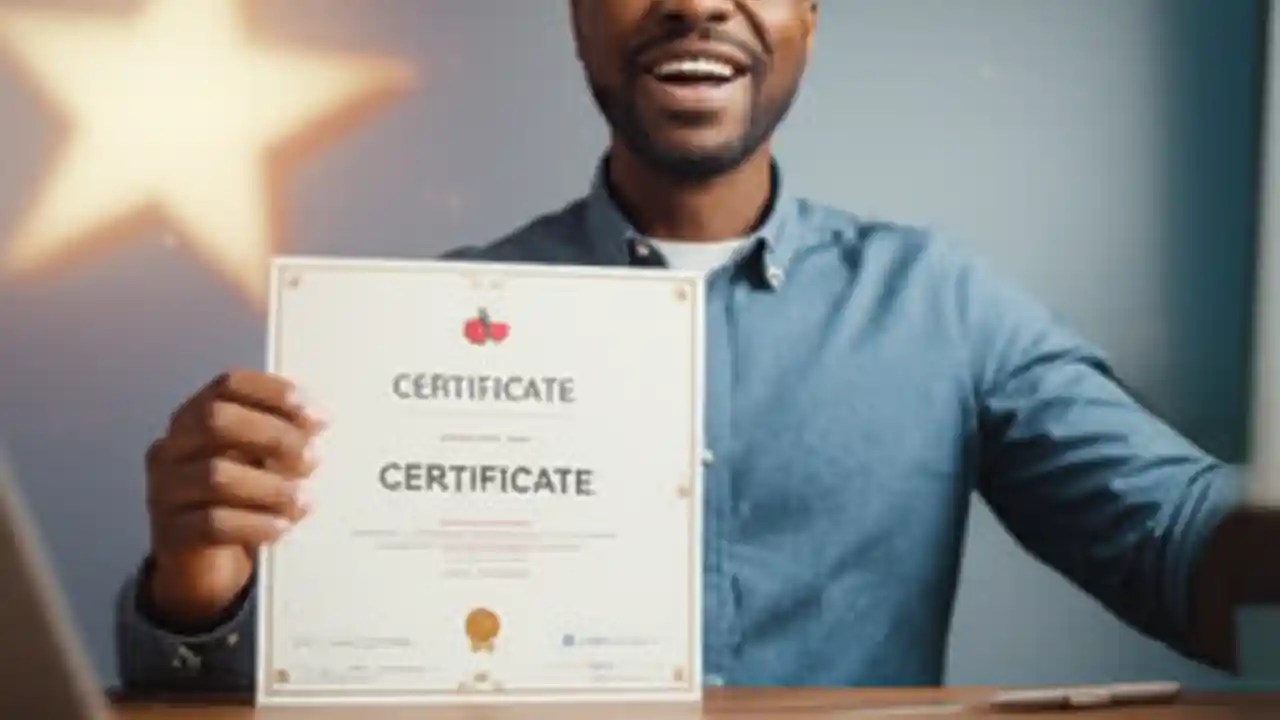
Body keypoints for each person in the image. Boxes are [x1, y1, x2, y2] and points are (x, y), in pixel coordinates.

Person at [117, 0, 1276, 692]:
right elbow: (282, 678)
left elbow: (1175, 540)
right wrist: (196, 595)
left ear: (808, 17)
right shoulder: (419, 330)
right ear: (579, 21)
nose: (694, 0)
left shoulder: (945, 306)